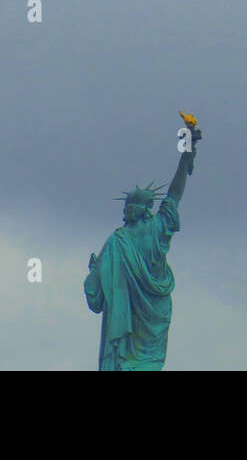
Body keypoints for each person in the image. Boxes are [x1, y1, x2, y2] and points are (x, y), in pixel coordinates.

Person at [84, 129, 199, 370]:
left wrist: (185, 155)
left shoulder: (152, 231)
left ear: (146, 208)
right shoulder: (117, 241)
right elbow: (97, 294)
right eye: (127, 206)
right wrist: (98, 272)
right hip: (141, 321)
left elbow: (175, 193)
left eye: (132, 206)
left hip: (149, 321)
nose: (128, 209)